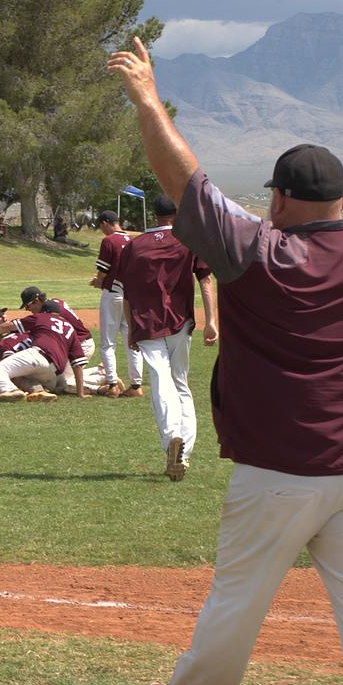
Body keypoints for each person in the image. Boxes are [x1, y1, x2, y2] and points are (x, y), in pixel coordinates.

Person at [109, 38, 343, 685]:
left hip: (277, 472)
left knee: (237, 603)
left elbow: (185, 178)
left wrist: (147, 99)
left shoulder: (255, 252)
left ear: (276, 201)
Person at [117, 194, 217, 481]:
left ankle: (171, 438)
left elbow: (126, 292)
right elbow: (206, 281)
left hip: (146, 324)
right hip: (179, 322)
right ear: (178, 213)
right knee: (180, 384)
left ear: (155, 216)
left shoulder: (134, 245)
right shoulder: (189, 240)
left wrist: (132, 331)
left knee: (160, 381)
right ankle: (182, 455)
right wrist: (211, 321)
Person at [90, 209, 144, 398]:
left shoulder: (109, 240)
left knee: (108, 342)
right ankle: (136, 386)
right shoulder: (133, 240)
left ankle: (112, 384)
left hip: (112, 293)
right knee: (131, 340)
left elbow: (103, 271)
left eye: (101, 226)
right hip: (131, 295)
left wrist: (98, 281)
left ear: (105, 223)